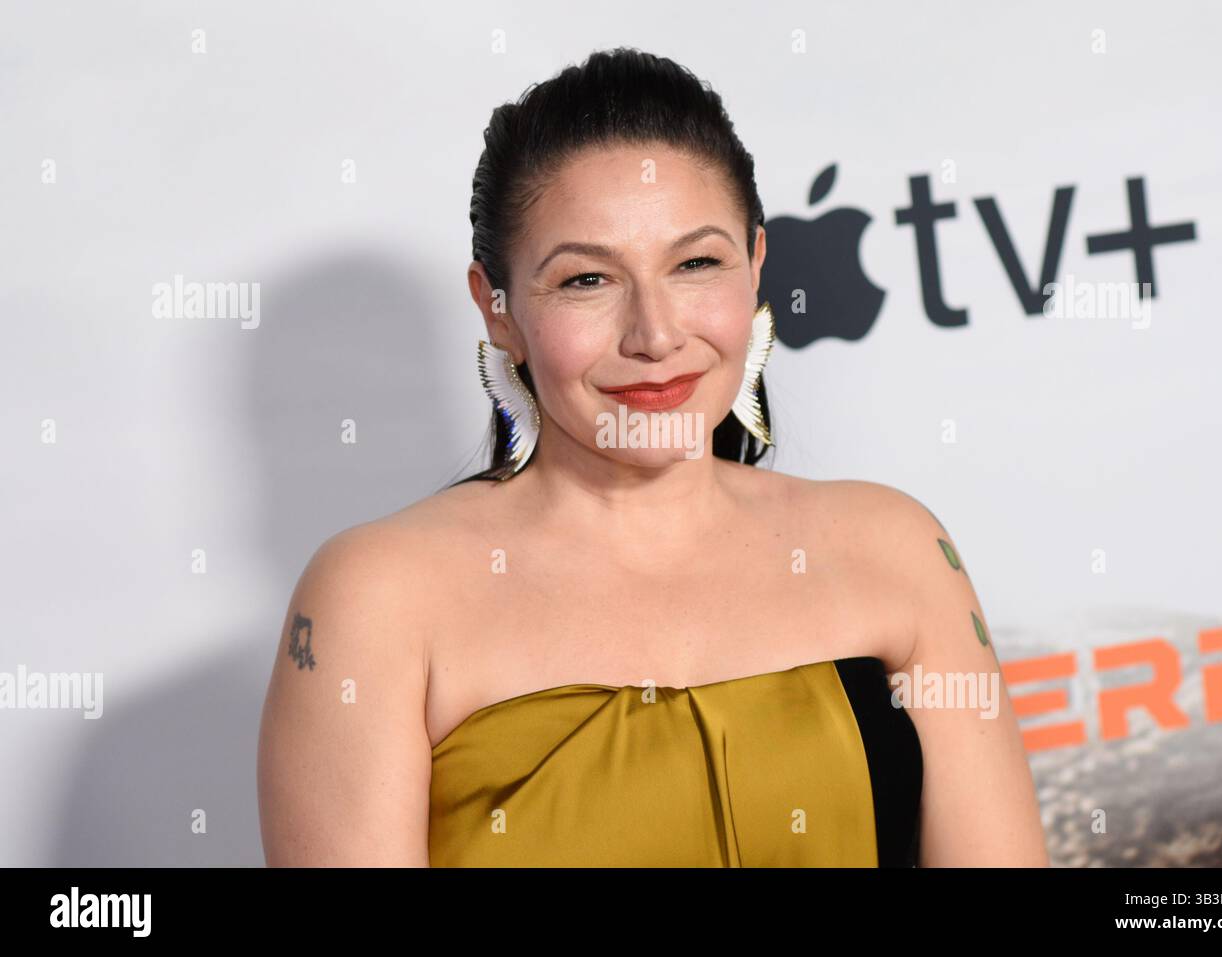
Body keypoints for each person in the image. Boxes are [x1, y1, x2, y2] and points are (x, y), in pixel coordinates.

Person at [257, 46, 1049, 867]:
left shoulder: (895, 546)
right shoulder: (376, 598)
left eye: (696, 263)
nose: (657, 334)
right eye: (586, 281)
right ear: (497, 311)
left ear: (757, 268)